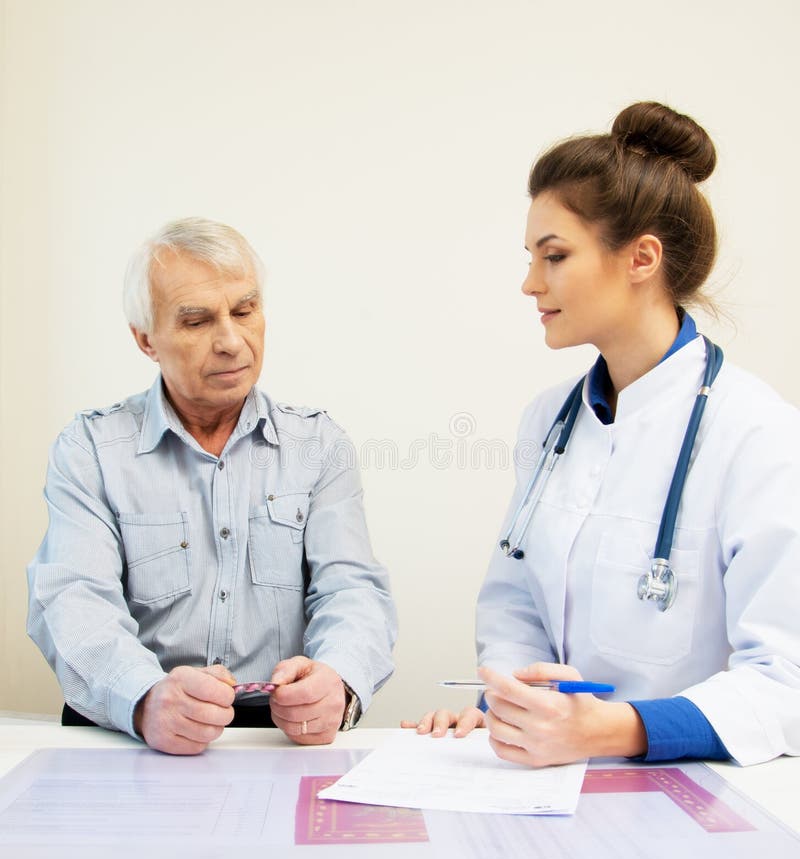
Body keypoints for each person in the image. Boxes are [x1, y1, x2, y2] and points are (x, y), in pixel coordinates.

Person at [403, 102, 800, 767]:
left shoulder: (758, 434)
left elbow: (786, 682)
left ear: (642, 257)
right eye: (531, 257)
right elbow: (514, 602)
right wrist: (511, 705)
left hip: (697, 790)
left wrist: (613, 730)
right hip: (549, 775)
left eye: (554, 256)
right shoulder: (549, 421)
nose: (530, 283)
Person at [28, 217, 397, 755]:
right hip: (133, 725)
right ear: (146, 339)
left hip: (274, 732)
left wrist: (337, 680)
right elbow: (73, 598)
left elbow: (351, 589)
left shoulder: (319, 445)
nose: (230, 341)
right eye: (197, 321)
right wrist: (144, 698)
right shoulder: (91, 450)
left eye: (245, 312)